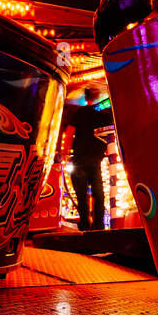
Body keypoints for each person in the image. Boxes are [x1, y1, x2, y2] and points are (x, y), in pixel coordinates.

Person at [66, 88, 111, 231]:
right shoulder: (104, 114)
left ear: (86, 98)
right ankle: (98, 225)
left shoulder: (79, 113)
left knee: (82, 195)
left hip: (80, 158)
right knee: (99, 194)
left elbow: (69, 133)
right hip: (96, 159)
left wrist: (66, 153)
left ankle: (85, 224)